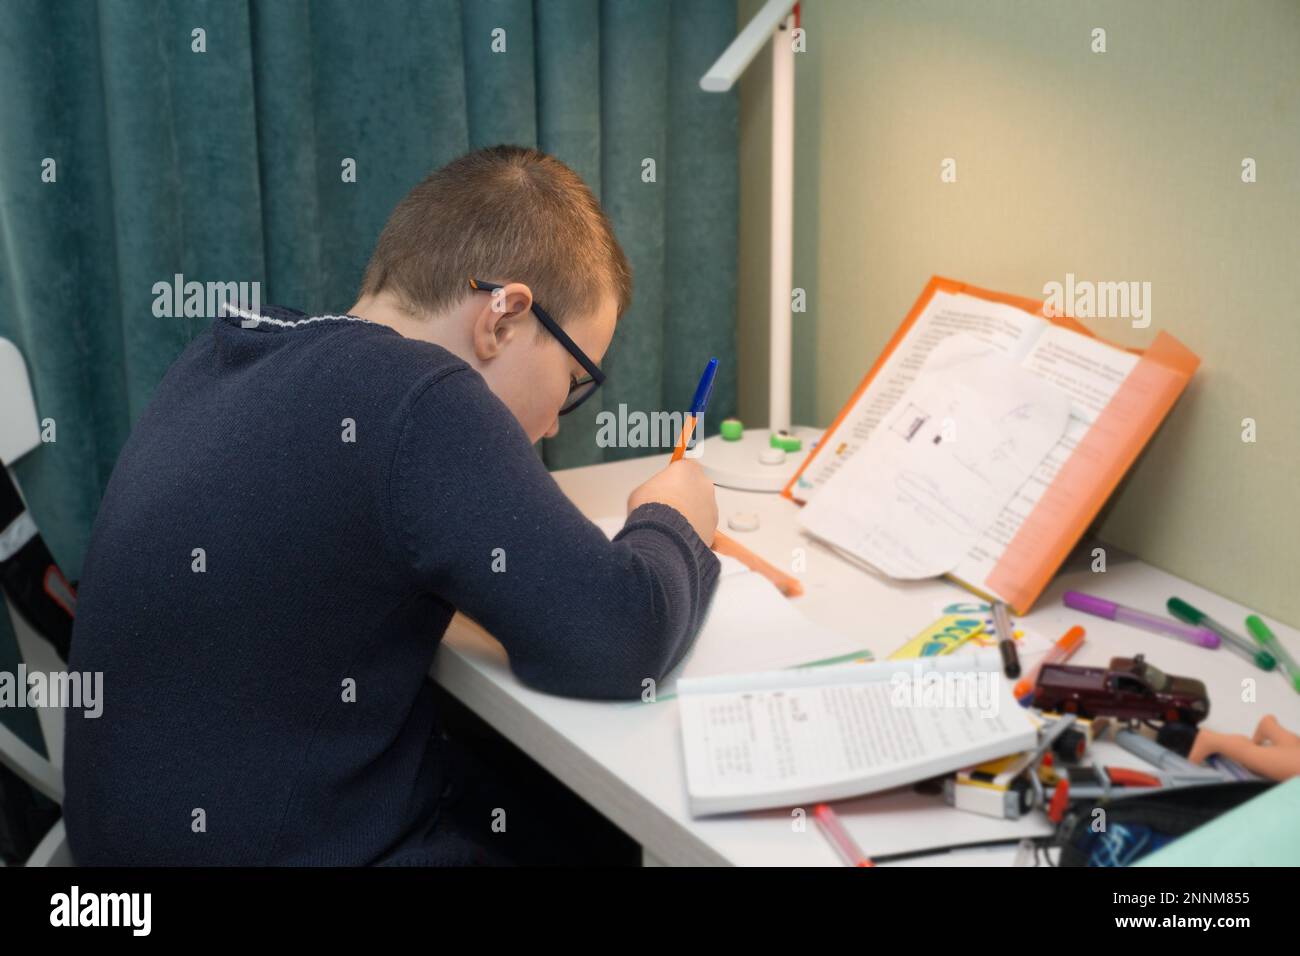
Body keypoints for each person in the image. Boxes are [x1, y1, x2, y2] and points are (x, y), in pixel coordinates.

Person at [64, 145, 721, 865]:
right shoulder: (422, 397)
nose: (558, 421)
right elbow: (621, 639)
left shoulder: (230, 350)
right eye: (575, 378)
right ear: (502, 320)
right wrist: (674, 514)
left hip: (117, 867)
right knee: (596, 831)